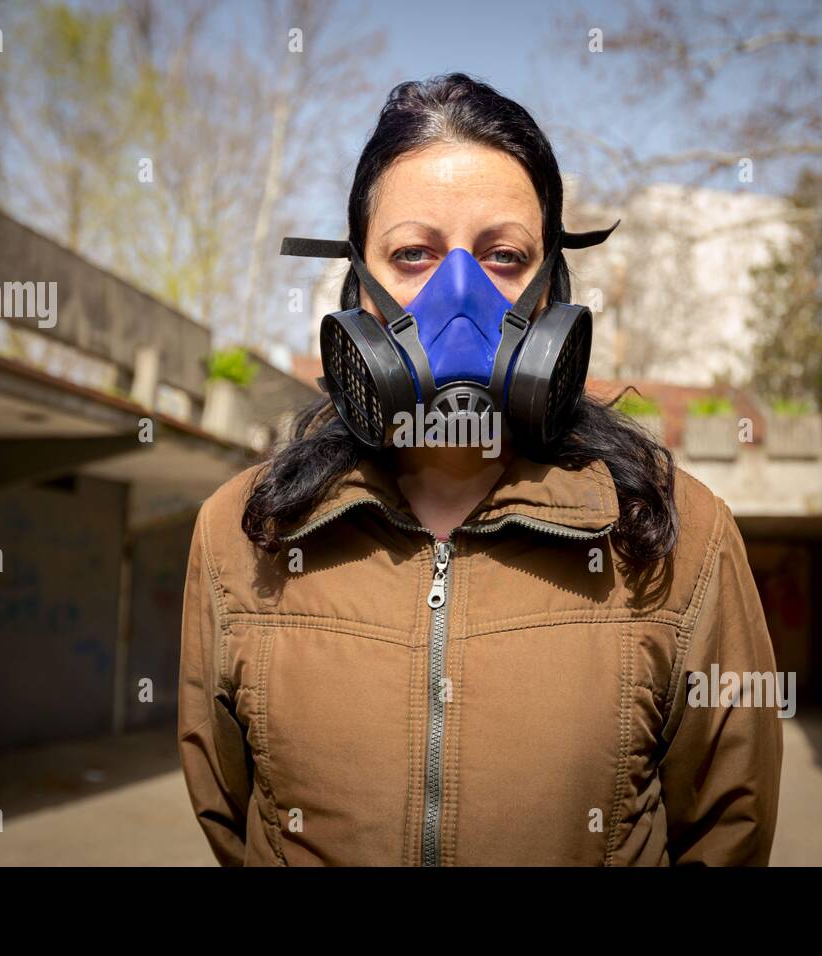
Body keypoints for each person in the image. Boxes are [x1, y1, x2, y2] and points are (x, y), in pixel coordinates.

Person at [178, 72, 782, 866]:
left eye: (503, 255)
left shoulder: (679, 536)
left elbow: (726, 835)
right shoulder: (242, 533)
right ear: (356, 287)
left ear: (552, 291)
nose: (456, 296)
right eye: (412, 253)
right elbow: (233, 823)